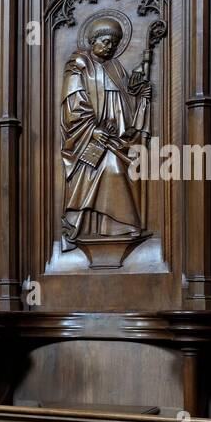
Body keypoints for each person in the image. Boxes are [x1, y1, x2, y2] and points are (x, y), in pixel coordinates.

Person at [59, 16, 149, 250]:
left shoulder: (116, 66)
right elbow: (74, 101)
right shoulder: (79, 64)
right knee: (111, 169)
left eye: (115, 43)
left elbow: (125, 100)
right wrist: (92, 130)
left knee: (123, 169)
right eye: (106, 41)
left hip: (116, 136)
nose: (110, 46)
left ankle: (111, 228)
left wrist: (140, 92)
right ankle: (93, 226)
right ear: (93, 40)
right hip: (91, 136)